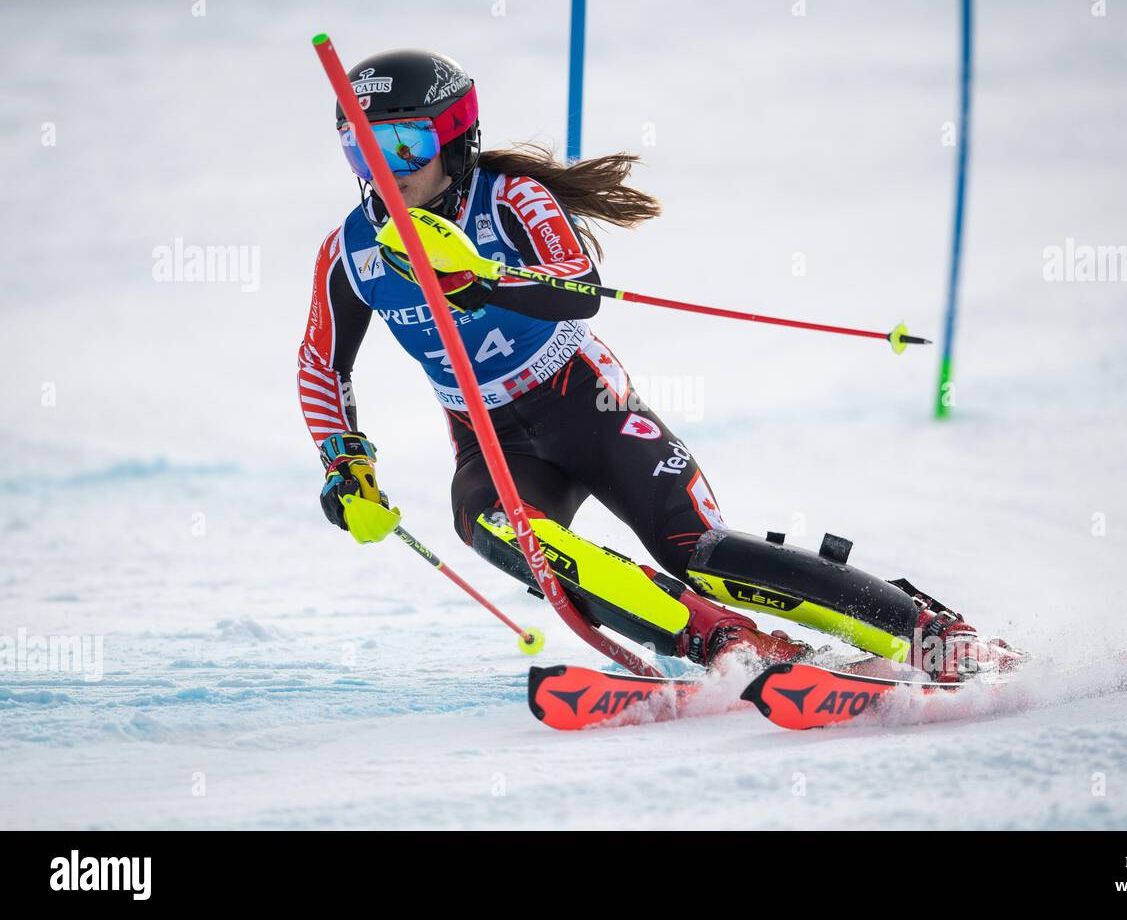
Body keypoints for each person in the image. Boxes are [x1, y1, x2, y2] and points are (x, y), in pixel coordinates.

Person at [298, 49, 1015, 682]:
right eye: (361, 152)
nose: (382, 174)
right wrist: (345, 464)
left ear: (455, 141)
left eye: (403, 146)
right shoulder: (350, 252)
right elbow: (321, 364)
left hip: (585, 401)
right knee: (498, 527)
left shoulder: (510, 197)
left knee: (695, 551)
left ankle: (926, 634)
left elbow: (577, 287)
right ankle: (722, 644)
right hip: (493, 433)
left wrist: (479, 275)